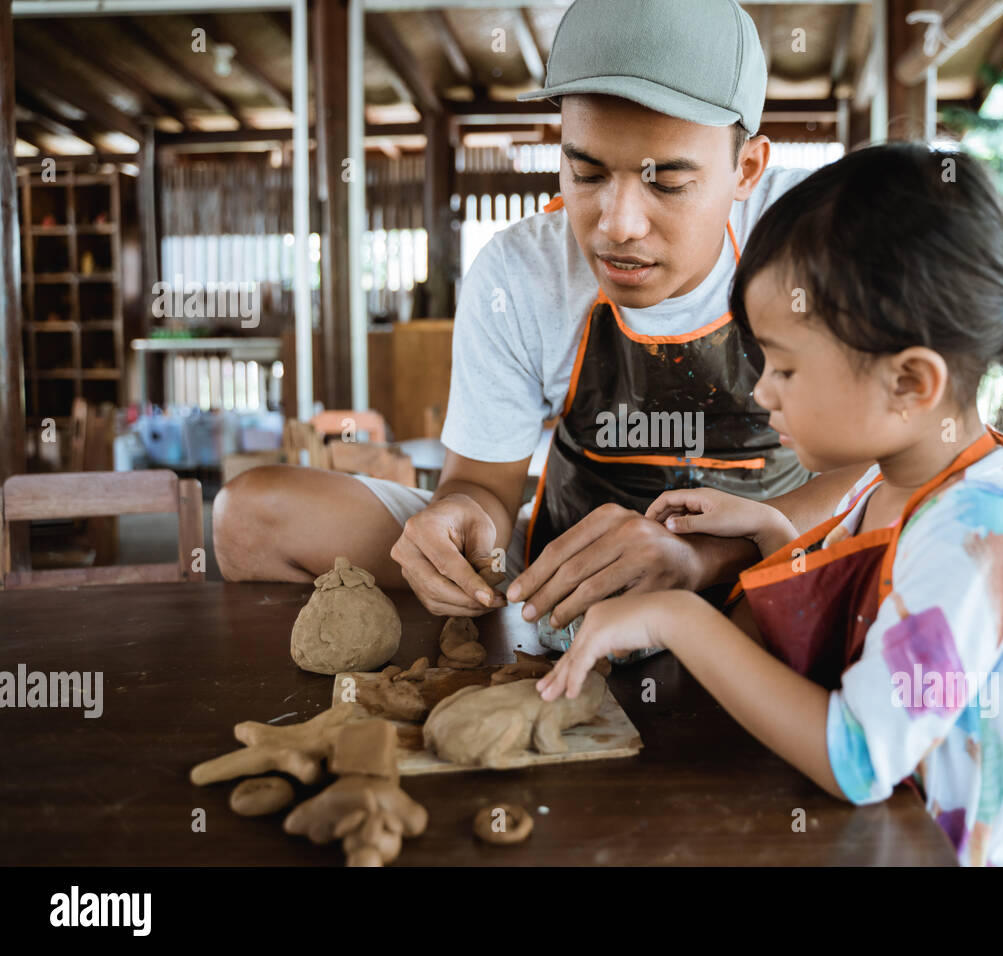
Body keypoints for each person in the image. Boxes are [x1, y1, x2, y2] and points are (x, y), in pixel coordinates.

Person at [538, 143, 1003, 866]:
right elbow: (850, 617)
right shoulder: (895, 483)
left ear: (910, 383)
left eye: (783, 366)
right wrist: (771, 530)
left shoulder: (979, 532)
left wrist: (674, 615)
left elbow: (860, 758)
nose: (761, 393)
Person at [213, 0, 865, 633]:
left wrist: (703, 559)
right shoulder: (518, 273)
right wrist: (458, 519)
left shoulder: (819, 241)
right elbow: (483, 487)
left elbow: (882, 464)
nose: (618, 226)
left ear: (746, 168)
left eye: (666, 182)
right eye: (585, 173)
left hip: (770, 560)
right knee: (250, 516)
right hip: (555, 575)